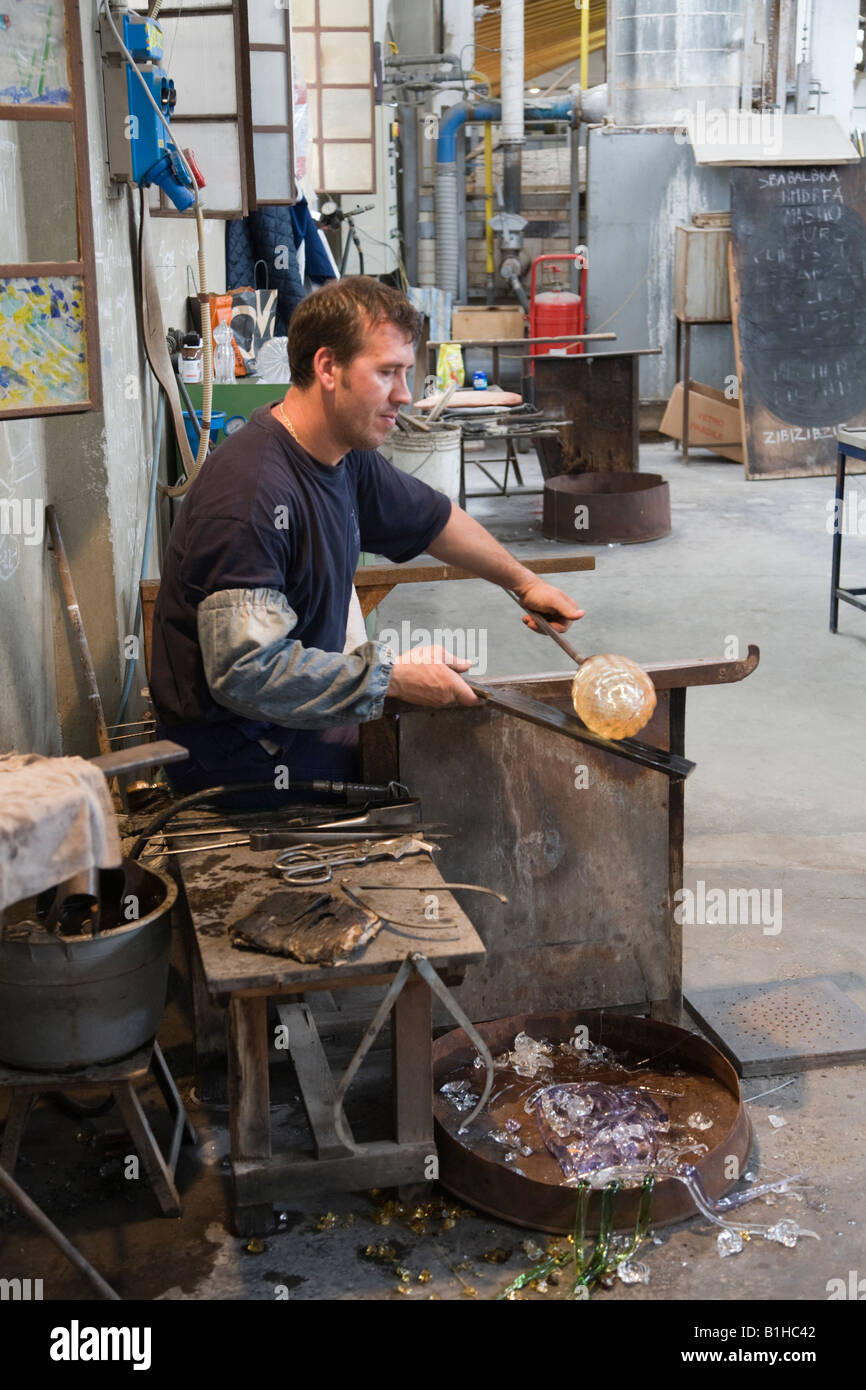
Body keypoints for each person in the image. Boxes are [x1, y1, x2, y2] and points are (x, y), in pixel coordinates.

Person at [150, 277, 583, 800]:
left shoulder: (344, 456)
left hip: (299, 725)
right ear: (328, 367)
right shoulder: (251, 495)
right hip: (244, 766)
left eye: (405, 372)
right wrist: (390, 679)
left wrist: (522, 582)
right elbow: (248, 671)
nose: (403, 394)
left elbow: (433, 518)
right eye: (387, 373)